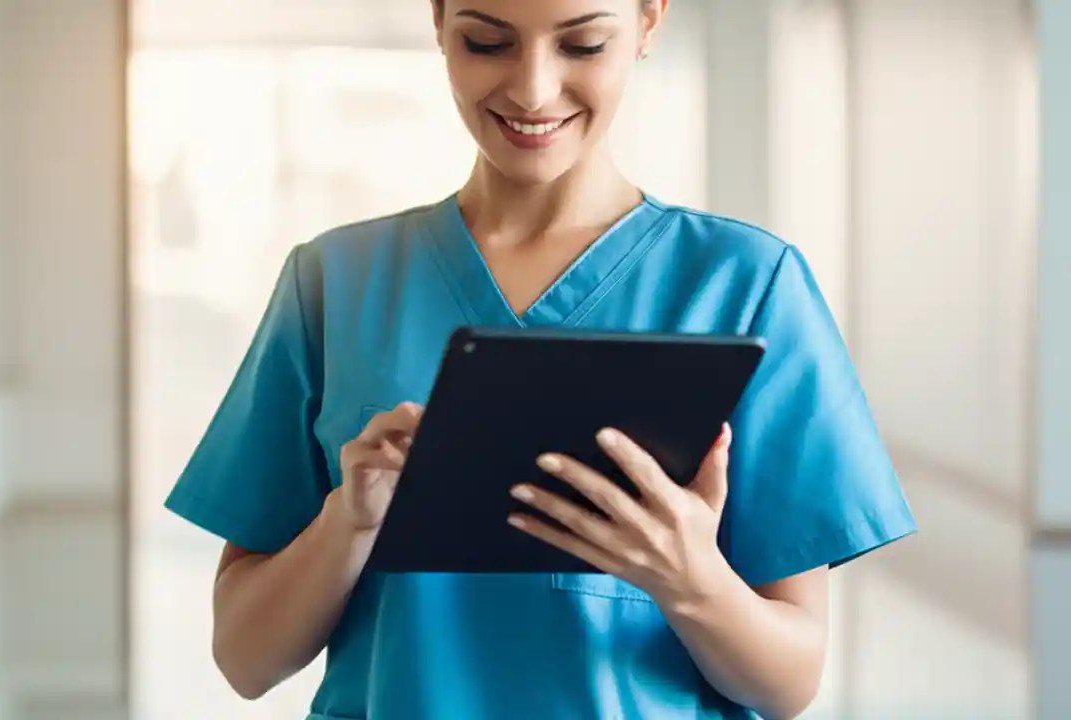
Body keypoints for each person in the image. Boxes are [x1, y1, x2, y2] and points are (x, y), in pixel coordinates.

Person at [164, 0, 917, 717]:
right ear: (438, 21)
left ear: (649, 19)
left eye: (583, 44)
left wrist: (687, 577)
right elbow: (245, 658)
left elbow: (789, 685)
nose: (532, 88)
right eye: (486, 41)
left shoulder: (747, 286)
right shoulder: (334, 283)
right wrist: (349, 524)